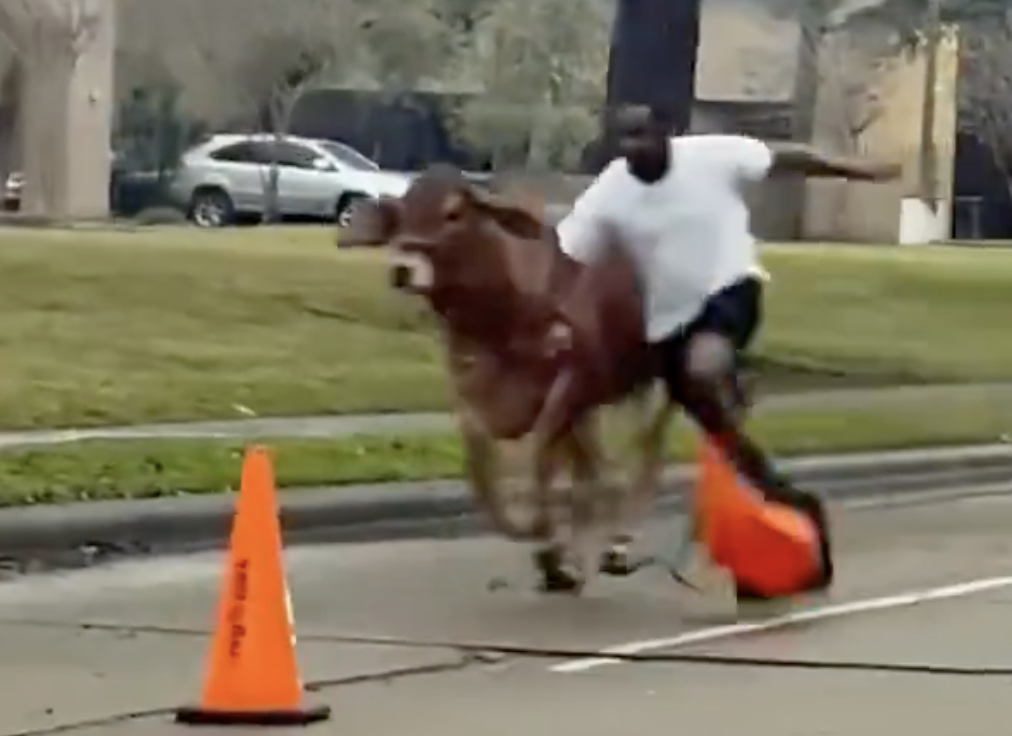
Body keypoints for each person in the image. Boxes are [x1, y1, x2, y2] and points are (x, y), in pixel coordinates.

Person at [555, 105, 901, 600]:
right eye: (624, 139)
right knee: (724, 438)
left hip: (729, 292)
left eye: (642, 136)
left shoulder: (710, 156)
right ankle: (791, 515)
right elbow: (567, 254)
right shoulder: (611, 191)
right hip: (667, 327)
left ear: (667, 132)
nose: (633, 148)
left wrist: (855, 169)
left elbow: (788, 157)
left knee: (705, 365)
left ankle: (729, 375)